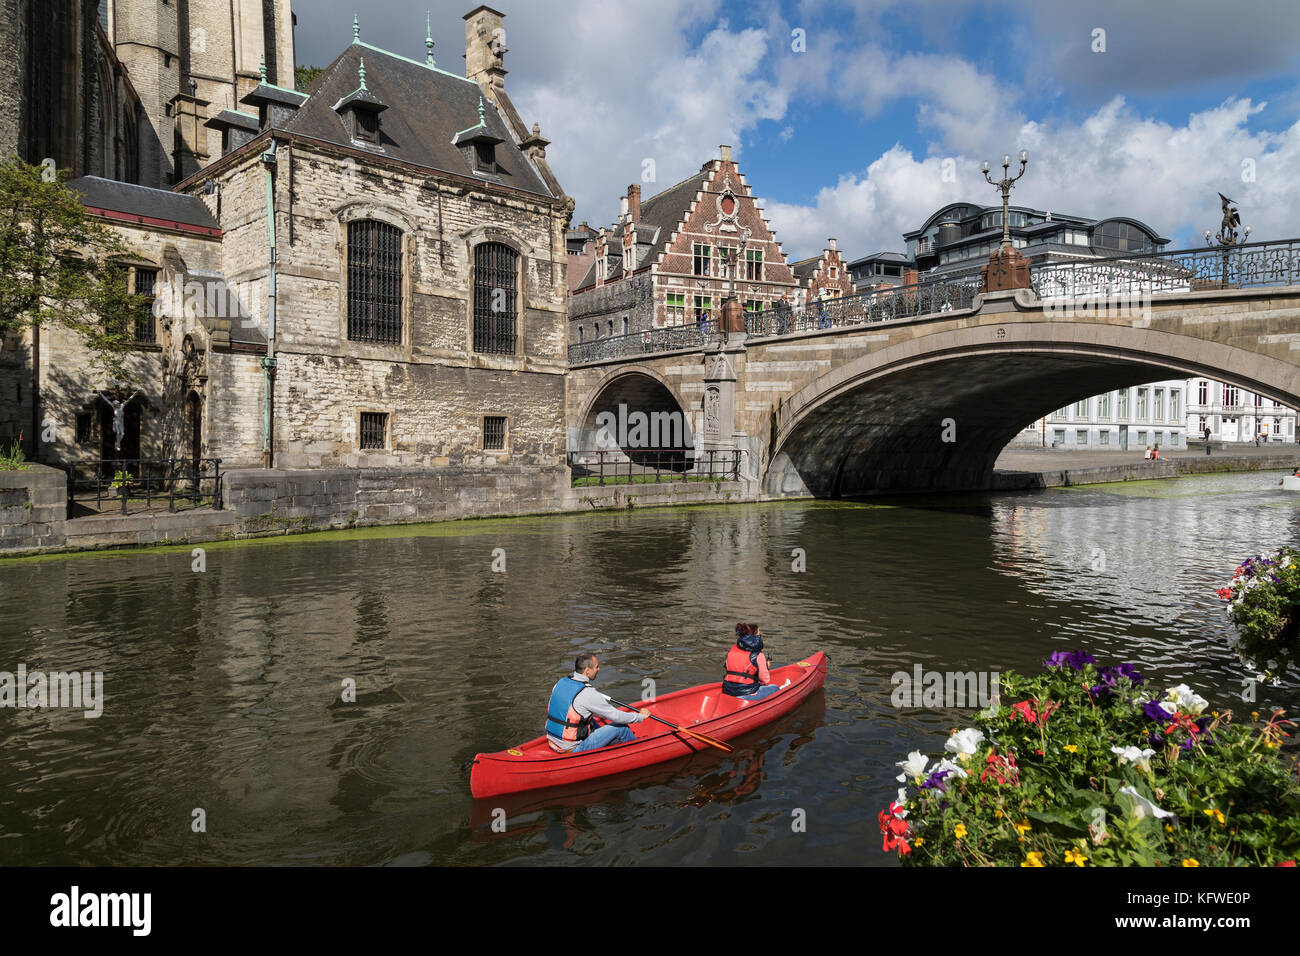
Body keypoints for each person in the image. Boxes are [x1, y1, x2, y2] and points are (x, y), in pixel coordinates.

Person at [545, 652, 648, 754]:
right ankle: (640, 753)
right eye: (596, 667)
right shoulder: (588, 693)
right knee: (622, 728)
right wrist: (640, 717)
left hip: (552, 740)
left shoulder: (560, 682)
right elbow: (616, 716)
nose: (598, 669)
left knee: (589, 718)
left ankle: (613, 744)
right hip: (572, 748)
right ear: (587, 670)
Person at [722, 623, 780, 702]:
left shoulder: (732, 649)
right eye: (759, 635)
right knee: (775, 688)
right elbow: (765, 680)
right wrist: (766, 667)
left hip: (727, 690)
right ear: (756, 637)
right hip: (745, 695)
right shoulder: (758, 655)